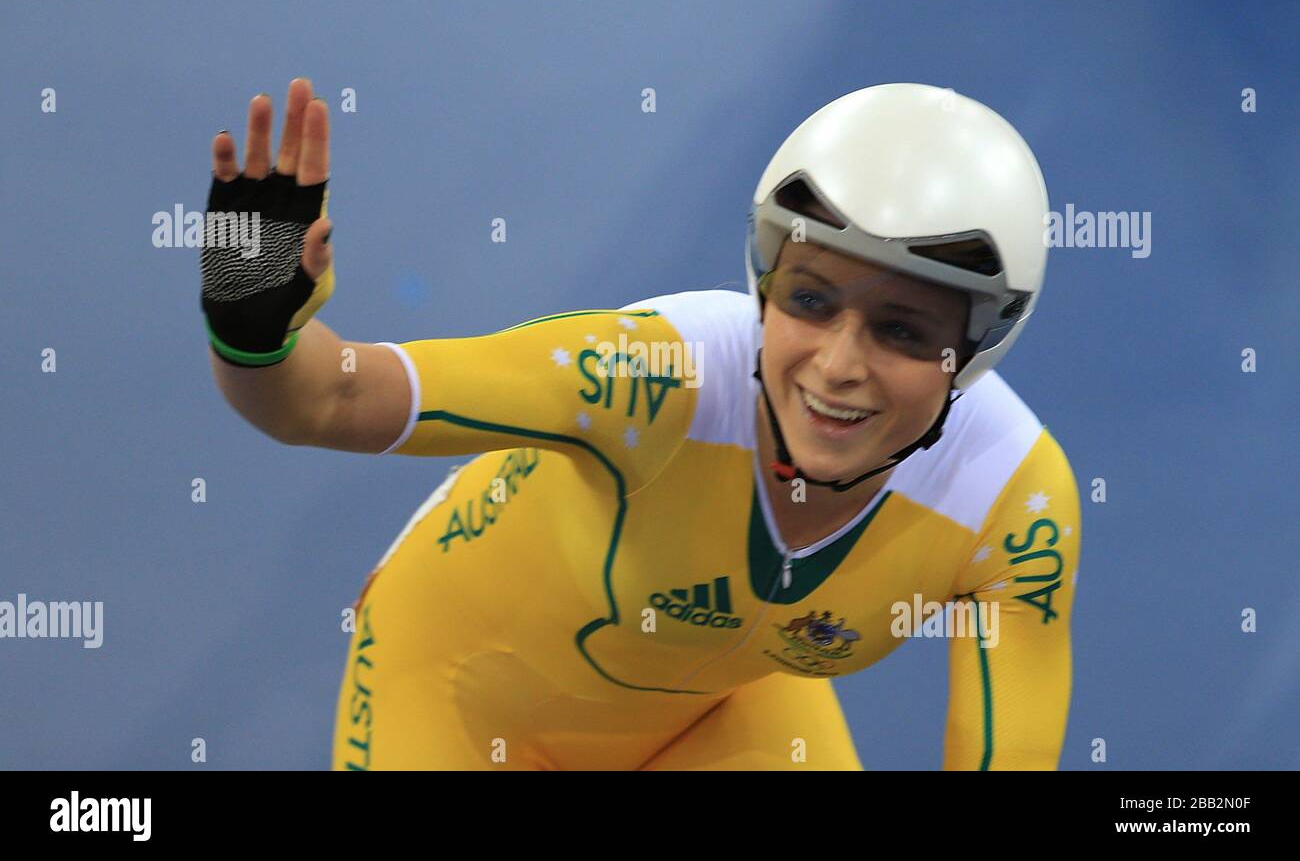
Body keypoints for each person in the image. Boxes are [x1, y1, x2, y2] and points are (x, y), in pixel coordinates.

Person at [204, 79, 1079, 770]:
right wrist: (250, 324)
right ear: (764, 286)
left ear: (975, 349)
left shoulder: (1013, 503)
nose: (839, 365)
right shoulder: (653, 377)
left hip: (715, 725)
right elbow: (326, 400)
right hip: (454, 696)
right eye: (810, 302)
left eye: (900, 330)